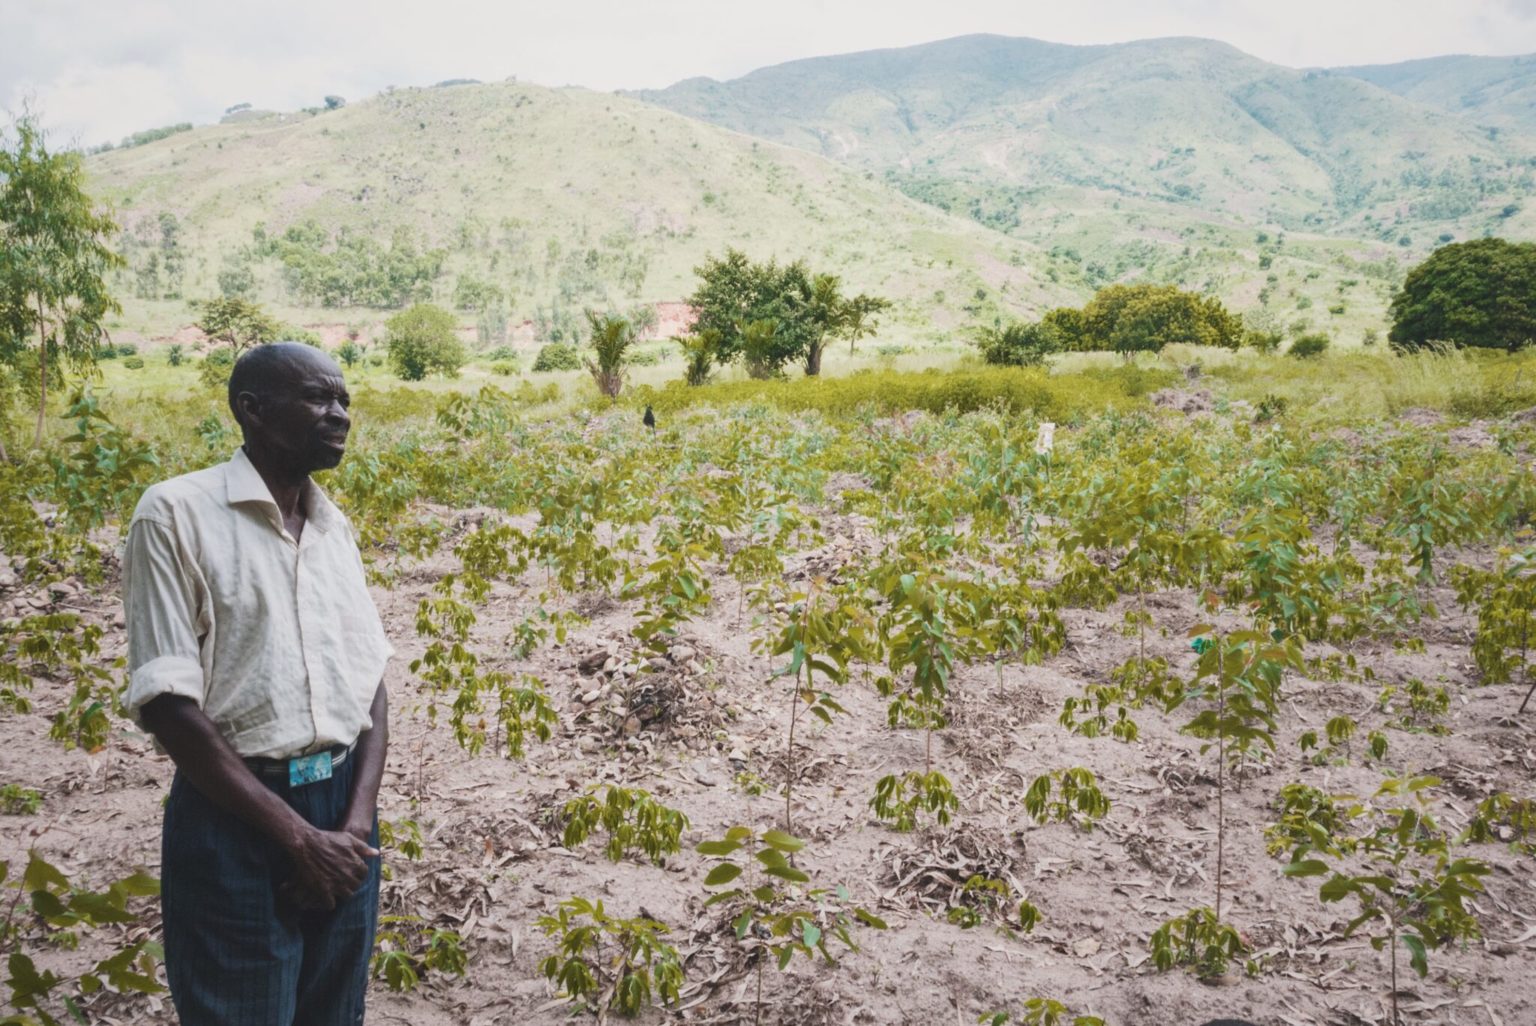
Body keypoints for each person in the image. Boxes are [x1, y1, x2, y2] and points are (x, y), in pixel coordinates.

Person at [123, 342, 393, 1026]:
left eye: (344, 402)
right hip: (236, 813)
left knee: (333, 1012)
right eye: (318, 398)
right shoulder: (176, 514)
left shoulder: (335, 531)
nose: (339, 416)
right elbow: (169, 704)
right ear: (252, 409)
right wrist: (297, 840)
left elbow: (372, 691)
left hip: (344, 813)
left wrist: (351, 831)